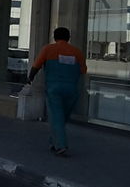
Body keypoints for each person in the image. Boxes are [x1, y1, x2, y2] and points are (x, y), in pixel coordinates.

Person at [27, 26, 86, 156]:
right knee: (62, 118)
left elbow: (36, 65)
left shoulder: (48, 49)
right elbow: (83, 70)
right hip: (72, 90)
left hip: (54, 88)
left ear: (54, 37)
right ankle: (53, 142)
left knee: (56, 117)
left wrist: (30, 77)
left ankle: (60, 145)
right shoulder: (77, 52)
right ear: (68, 38)